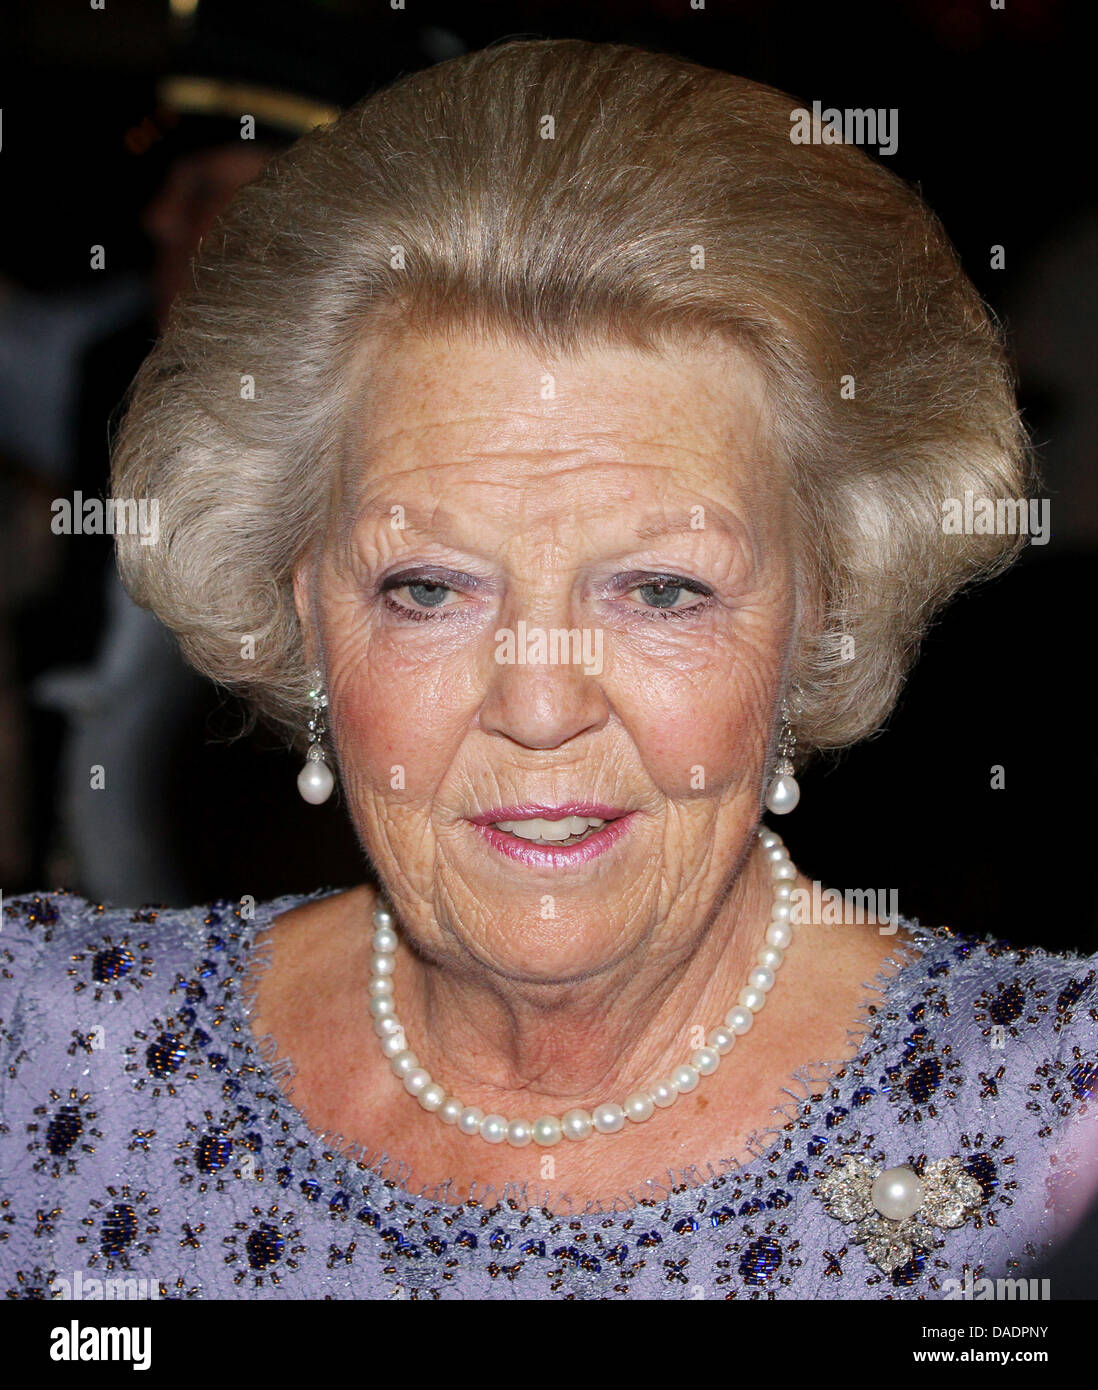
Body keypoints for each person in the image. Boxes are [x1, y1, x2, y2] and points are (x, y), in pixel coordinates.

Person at [2, 38, 1094, 1301]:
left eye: (662, 592)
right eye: (429, 589)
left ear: (825, 611)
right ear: (300, 605)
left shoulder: (1048, 1124)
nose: (537, 705)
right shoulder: (52, 1055)